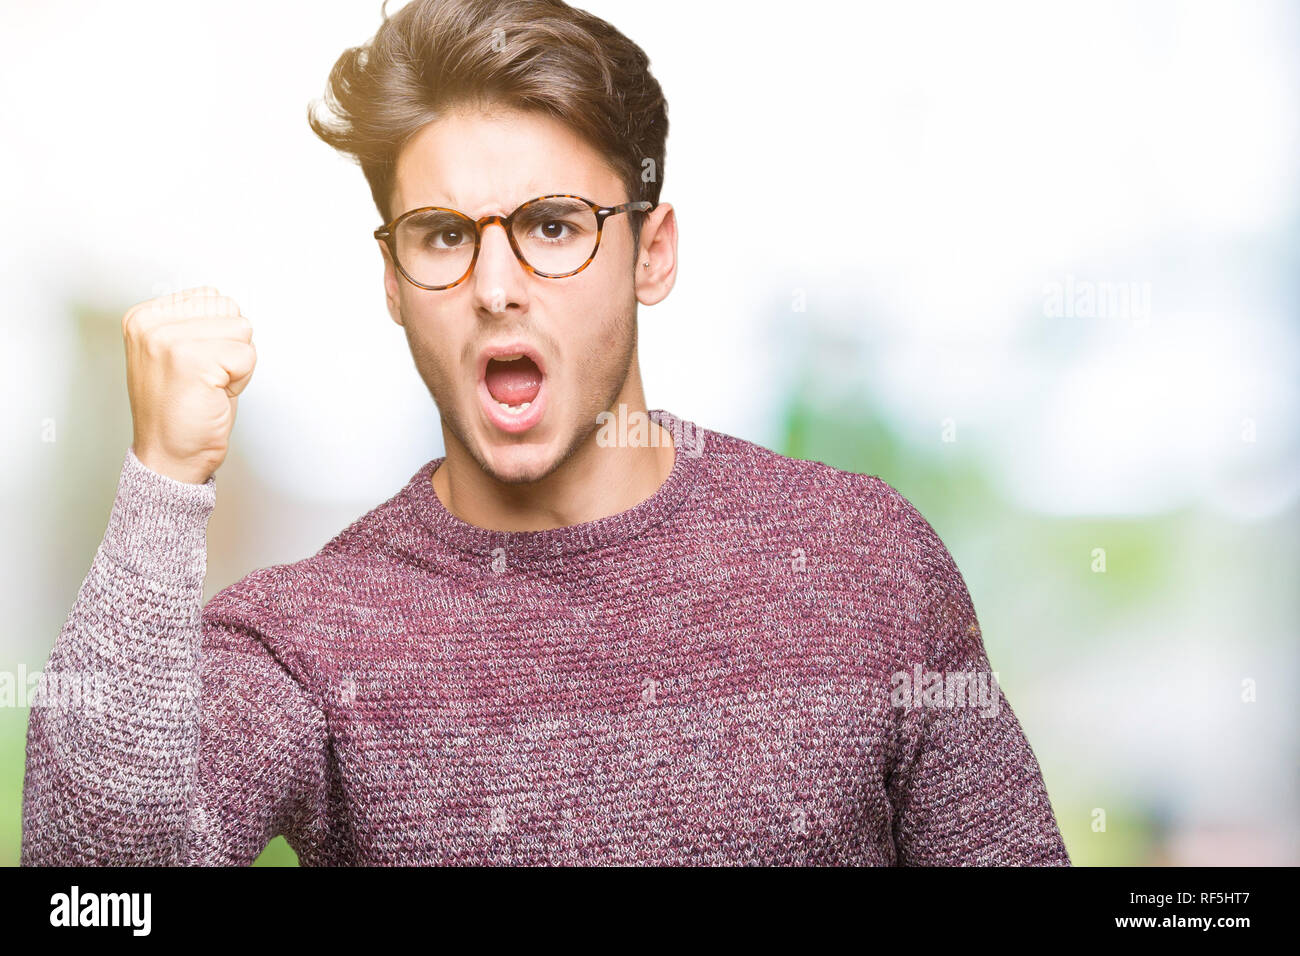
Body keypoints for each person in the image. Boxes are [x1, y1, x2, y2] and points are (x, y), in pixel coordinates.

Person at [21, 0, 1070, 866]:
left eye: (552, 226)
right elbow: (98, 888)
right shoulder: (306, 641)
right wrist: (164, 481)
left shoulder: (860, 559)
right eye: (442, 236)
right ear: (392, 280)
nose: (493, 288)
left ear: (652, 252)